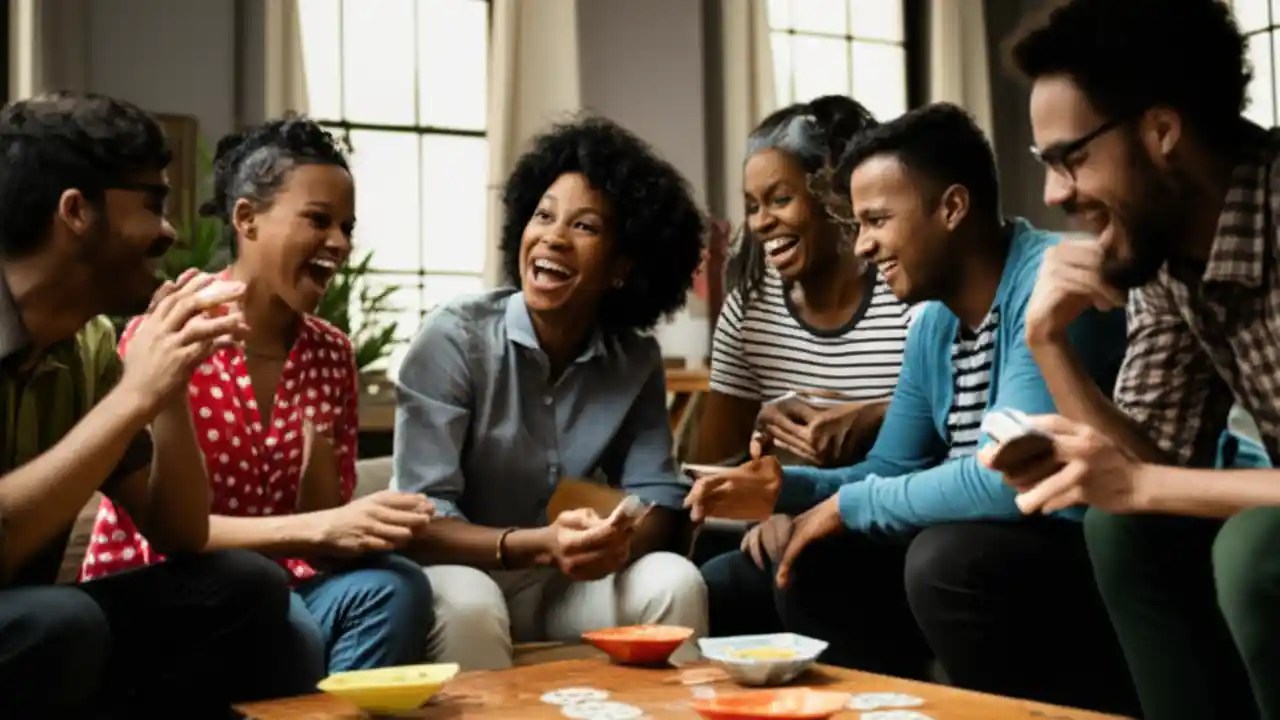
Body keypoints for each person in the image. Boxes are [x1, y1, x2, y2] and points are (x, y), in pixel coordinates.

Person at [690, 104, 1137, 714]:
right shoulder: (933, 323)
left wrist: (845, 505)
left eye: (876, 220)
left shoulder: (1053, 282)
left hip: (1080, 543)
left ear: (952, 208)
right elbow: (892, 467)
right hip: (987, 542)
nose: (865, 245)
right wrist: (785, 489)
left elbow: (1011, 480)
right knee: (817, 558)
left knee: (945, 558)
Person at [1001, 1, 1280, 717]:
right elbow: (1151, 473)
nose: (1054, 194)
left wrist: (1139, 485)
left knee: (1257, 548)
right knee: (1121, 526)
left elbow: (1150, 481)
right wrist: (1047, 344)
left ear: (1161, 131)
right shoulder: (1161, 247)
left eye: (1071, 158)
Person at [79, 117, 434, 676]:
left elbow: (325, 533)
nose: (338, 243)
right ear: (246, 218)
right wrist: (317, 529)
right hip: (176, 586)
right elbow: (173, 534)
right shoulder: (171, 329)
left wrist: (358, 514)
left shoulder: (332, 353)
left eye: (346, 226)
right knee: (278, 616)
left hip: (288, 583)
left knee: (398, 585)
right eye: (318, 220)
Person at [0, 92, 314, 718]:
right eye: (153, 204)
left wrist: (168, 387)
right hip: (36, 626)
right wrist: (135, 394)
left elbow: (179, 530)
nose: (170, 232)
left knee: (245, 587)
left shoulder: (87, 345)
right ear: (76, 212)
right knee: (60, 622)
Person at [393, 117, 709, 670]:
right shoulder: (454, 338)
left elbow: (658, 498)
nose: (553, 236)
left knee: (673, 578)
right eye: (543, 215)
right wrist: (538, 544)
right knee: (471, 603)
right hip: (465, 573)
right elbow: (421, 520)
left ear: (622, 267)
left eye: (584, 226)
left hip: (568, 582)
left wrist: (609, 547)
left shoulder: (633, 360)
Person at [691, 95, 913, 468]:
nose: (761, 222)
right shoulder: (749, 310)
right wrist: (760, 438)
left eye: (780, 199)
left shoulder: (907, 295)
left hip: (893, 513)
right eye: (752, 206)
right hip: (780, 517)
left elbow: (953, 427)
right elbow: (712, 468)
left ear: (835, 197)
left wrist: (876, 417)